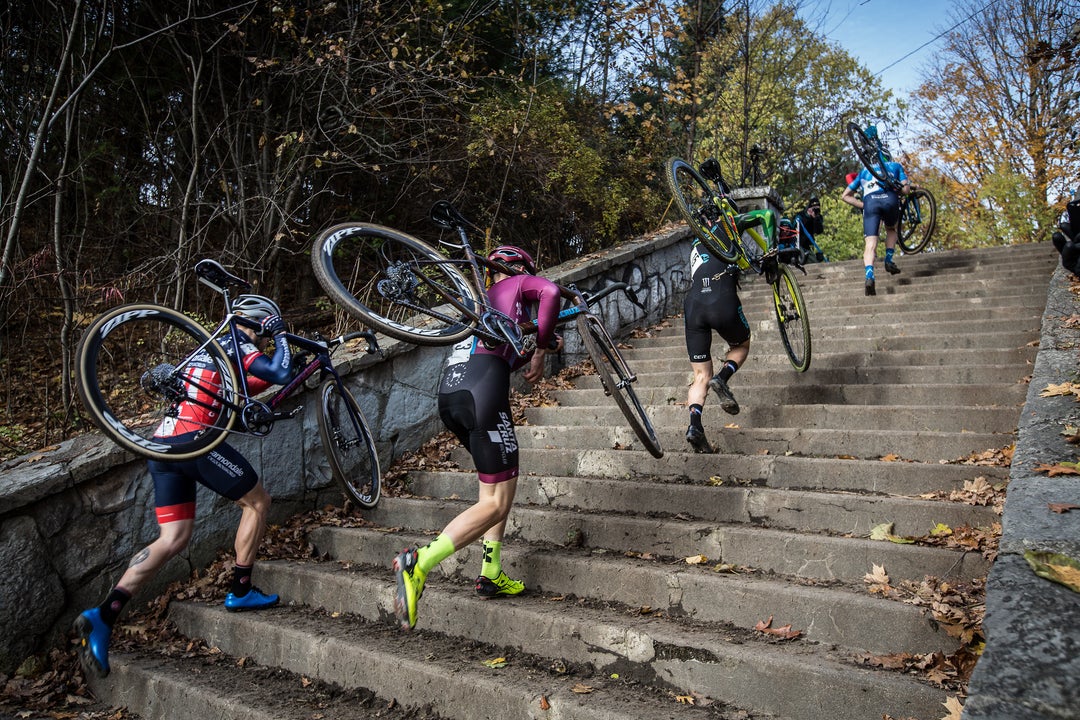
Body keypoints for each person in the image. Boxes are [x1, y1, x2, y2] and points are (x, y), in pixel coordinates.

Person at [74, 294, 295, 677]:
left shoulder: (207, 349)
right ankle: (241, 590)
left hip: (162, 446)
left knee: (172, 538)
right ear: (260, 323)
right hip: (195, 441)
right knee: (257, 502)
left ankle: (103, 614)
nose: (264, 339)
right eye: (266, 329)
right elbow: (277, 373)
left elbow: (248, 385)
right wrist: (282, 338)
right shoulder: (238, 343)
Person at [391, 245, 563, 632]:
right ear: (521, 268)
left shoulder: (480, 302)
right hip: (482, 396)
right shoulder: (518, 284)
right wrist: (542, 345)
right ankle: (419, 562)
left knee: (501, 483)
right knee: (496, 503)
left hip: (452, 397)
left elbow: (504, 356)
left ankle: (491, 571)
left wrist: (536, 346)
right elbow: (551, 293)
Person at [683, 236, 751, 454]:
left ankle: (694, 426)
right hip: (722, 300)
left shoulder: (696, 242)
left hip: (694, 306)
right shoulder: (729, 231)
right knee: (742, 345)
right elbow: (763, 219)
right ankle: (722, 378)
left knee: (700, 376)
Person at [841, 150, 910, 296]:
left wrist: (864, 205)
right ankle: (889, 259)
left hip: (870, 202)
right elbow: (905, 190)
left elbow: (845, 196)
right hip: (890, 199)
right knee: (891, 228)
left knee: (870, 244)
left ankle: (869, 275)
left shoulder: (865, 171)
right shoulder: (895, 166)